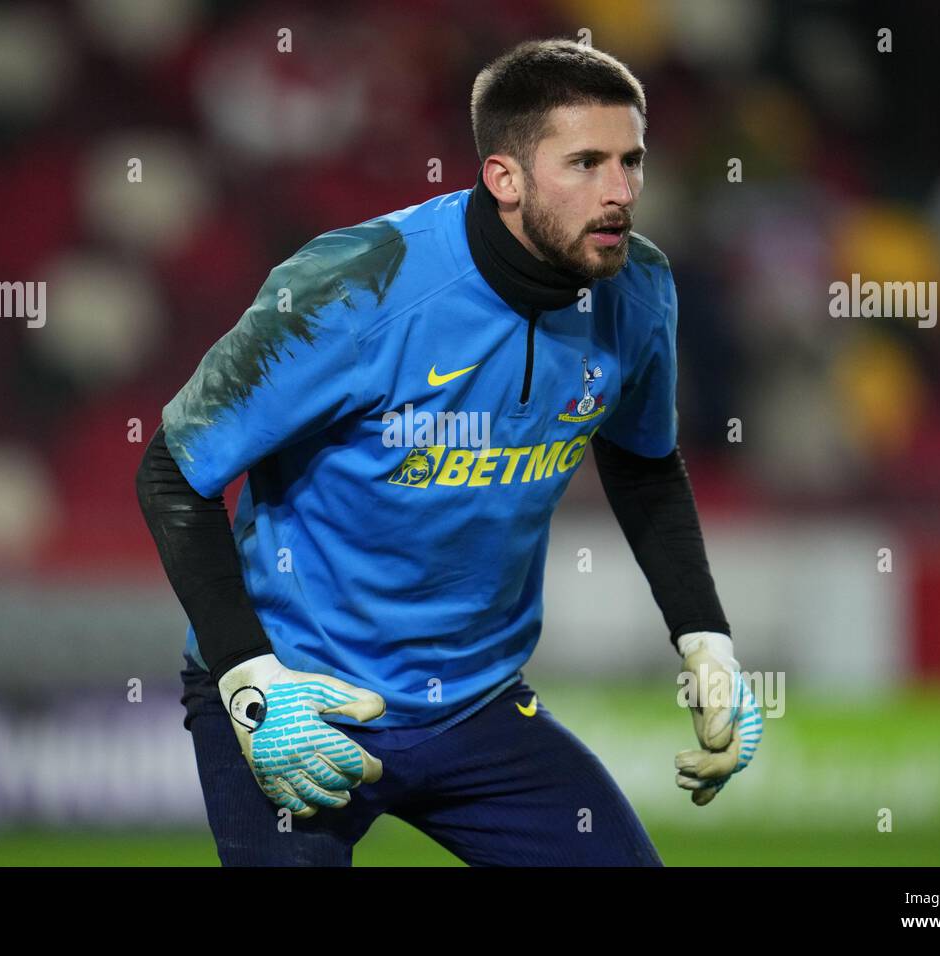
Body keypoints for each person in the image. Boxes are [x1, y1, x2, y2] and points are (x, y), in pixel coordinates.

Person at [137, 38, 760, 866]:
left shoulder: (638, 289)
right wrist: (250, 682)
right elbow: (173, 472)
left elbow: (644, 464)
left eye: (631, 160)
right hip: (302, 701)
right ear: (505, 177)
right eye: (585, 163)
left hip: (477, 710)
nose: (621, 193)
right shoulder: (355, 288)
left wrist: (704, 638)